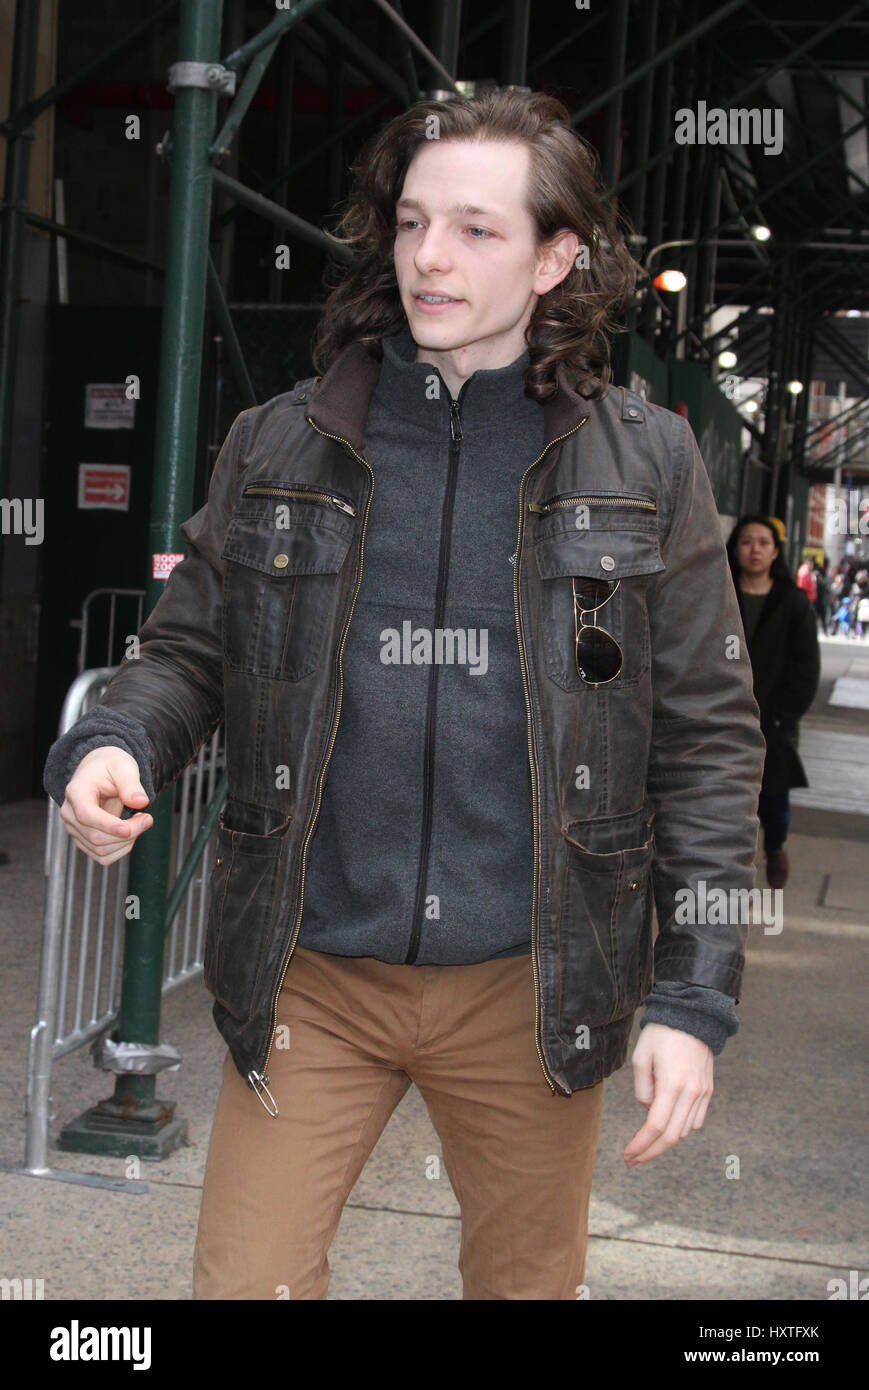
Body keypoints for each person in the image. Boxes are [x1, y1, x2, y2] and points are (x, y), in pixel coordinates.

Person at [43, 87, 765, 1301]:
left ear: (554, 256)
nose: (430, 256)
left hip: (531, 975)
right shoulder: (282, 441)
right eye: (413, 221)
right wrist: (115, 738)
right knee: (243, 1286)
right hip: (312, 970)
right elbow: (186, 651)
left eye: (476, 229)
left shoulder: (646, 463)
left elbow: (706, 738)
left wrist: (693, 994)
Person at [726, 516, 820, 890]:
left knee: (773, 795)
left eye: (763, 542)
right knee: (726, 792)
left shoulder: (793, 604)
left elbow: (807, 668)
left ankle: (776, 848)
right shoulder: (721, 594)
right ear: (735, 548)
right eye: (747, 541)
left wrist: (782, 715)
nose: (755, 549)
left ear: (775, 551)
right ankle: (732, 864)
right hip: (723, 715)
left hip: (775, 720)